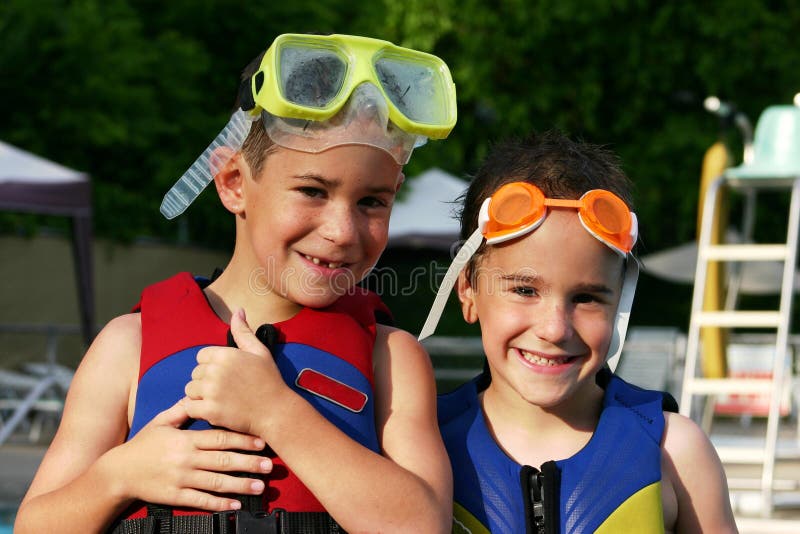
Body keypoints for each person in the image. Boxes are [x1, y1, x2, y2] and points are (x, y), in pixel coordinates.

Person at [15, 33, 457, 534]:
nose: (343, 231)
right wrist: (117, 476)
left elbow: (422, 526)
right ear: (233, 183)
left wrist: (277, 415)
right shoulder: (126, 346)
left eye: (372, 202)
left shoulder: (391, 358)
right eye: (313, 190)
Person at [421, 132, 738, 533]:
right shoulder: (424, 447)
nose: (555, 328)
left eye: (587, 298)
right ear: (467, 289)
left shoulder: (675, 452)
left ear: (620, 300)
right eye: (524, 290)